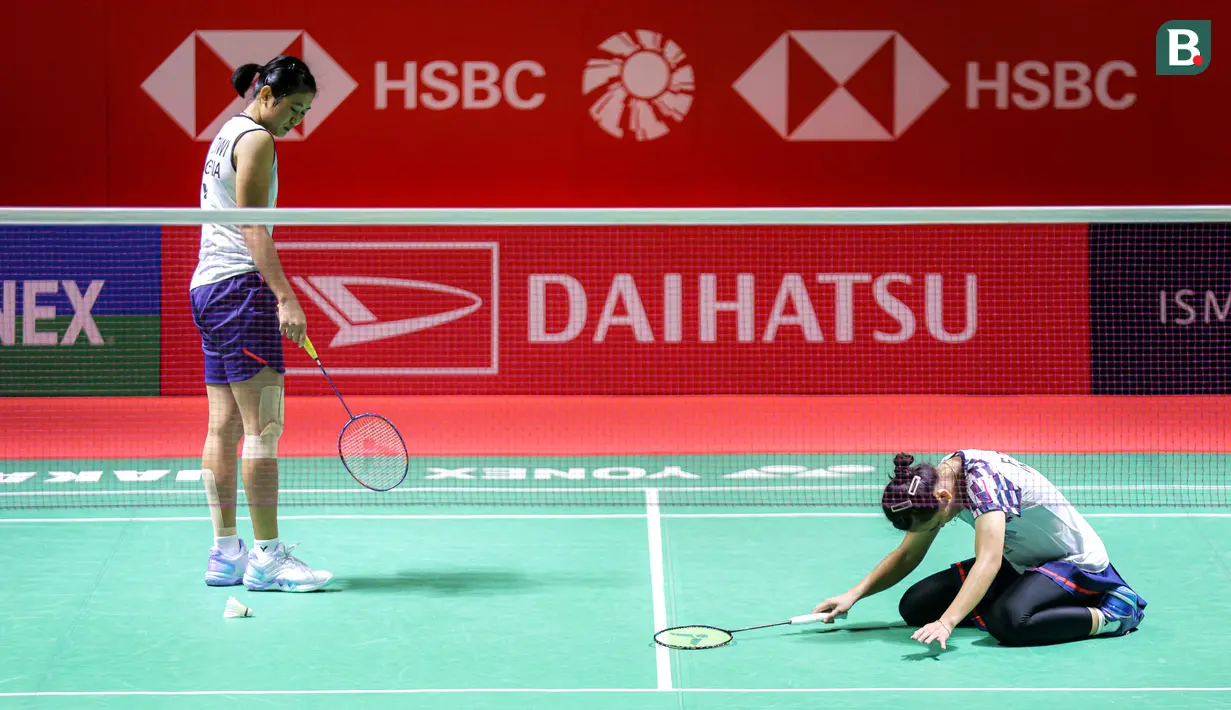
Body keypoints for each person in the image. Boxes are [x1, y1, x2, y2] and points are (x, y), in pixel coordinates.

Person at [189, 55, 333, 592]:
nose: (299, 120)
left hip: (206, 288)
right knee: (263, 431)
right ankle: (268, 558)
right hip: (240, 291)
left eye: (306, 111)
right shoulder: (257, 141)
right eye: (295, 107)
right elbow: (251, 225)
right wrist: (286, 298)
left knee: (222, 427)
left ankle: (225, 552)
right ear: (269, 93)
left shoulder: (227, 132)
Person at [811, 449, 1146, 648]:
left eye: (935, 524)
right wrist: (853, 595)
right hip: (1021, 563)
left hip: (1071, 563)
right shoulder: (935, 484)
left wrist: (947, 622)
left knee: (1009, 623)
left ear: (942, 500)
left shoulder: (985, 485)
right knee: (915, 607)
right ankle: (1019, 596)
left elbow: (989, 560)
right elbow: (908, 554)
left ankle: (1112, 616)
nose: (938, 527)